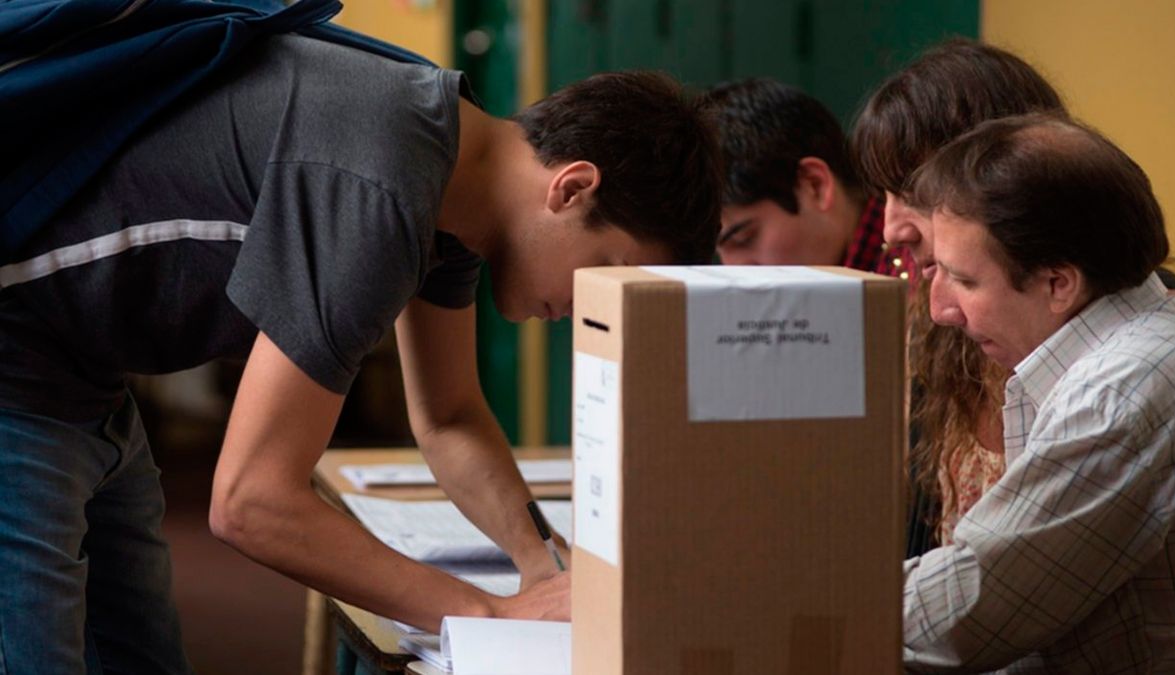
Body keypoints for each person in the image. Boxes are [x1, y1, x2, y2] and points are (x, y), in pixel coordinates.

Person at [0, 27, 722, 675]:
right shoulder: (381, 186)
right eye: (606, 269)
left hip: (78, 367)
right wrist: (488, 613)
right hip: (16, 360)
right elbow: (252, 501)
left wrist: (545, 566)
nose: (584, 309)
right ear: (572, 188)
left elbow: (449, 416)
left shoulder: (451, 169)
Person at [851, 39, 1175, 553]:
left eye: (915, 194)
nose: (890, 229)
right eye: (883, 195)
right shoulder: (937, 320)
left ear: (1007, 174)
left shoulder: (1139, 337)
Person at [901, 112, 1175, 671]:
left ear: (1058, 283)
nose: (941, 310)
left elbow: (973, 611)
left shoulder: (1122, 391)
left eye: (964, 280)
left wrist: (809, 606)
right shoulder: (1141, 340)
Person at [699, 78, 911, 276]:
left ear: (814, 185)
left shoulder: (918, 275)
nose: (733, 271)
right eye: (719, 253)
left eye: (745, 238)